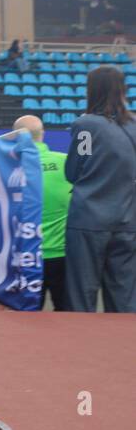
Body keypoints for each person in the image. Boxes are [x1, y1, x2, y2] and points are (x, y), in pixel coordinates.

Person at [63, 66, 136, 313]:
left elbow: (73, 171)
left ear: (92, 90)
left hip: (89, 219)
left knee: (81, 294)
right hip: (128, 220)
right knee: (124, 297)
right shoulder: (134, 124)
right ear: (122, 89)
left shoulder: (85, 125)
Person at [12, 115, 72, 311]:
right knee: (67, 314)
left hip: (22, 257)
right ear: (43, 134)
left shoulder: (7, 167)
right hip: (61, 254)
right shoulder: (66, 162)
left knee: (24, 317)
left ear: (15, 136)